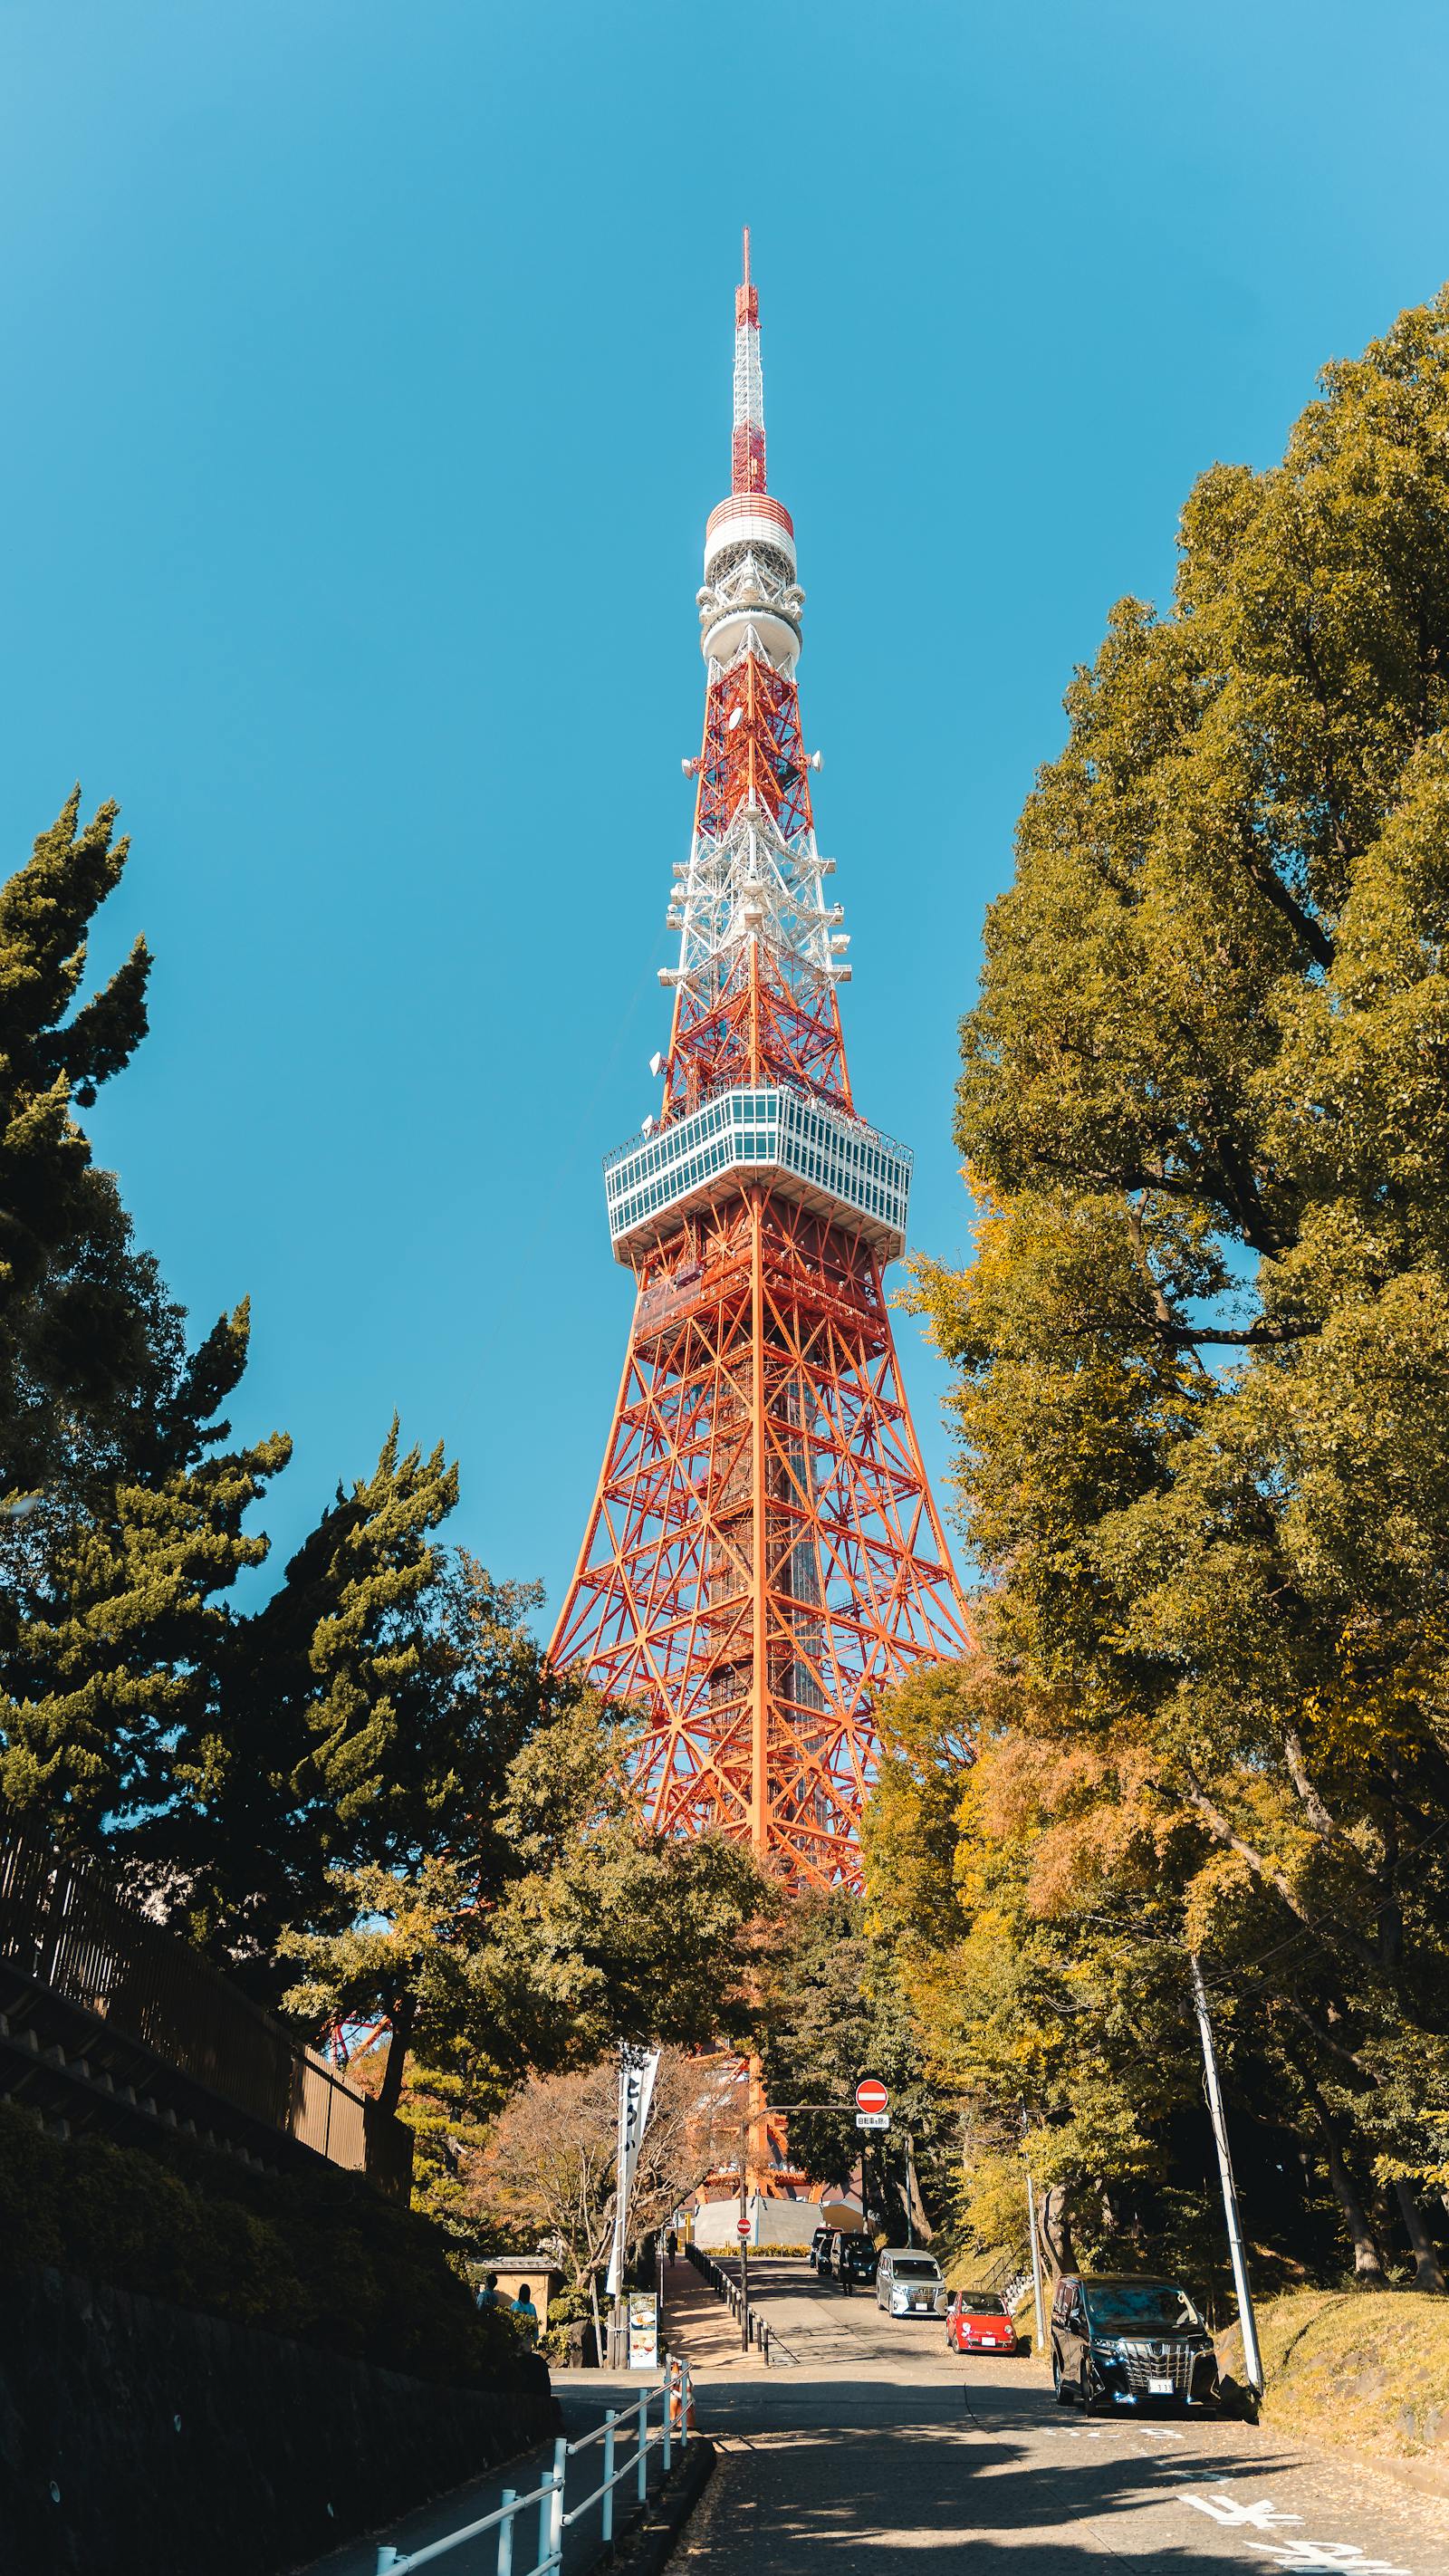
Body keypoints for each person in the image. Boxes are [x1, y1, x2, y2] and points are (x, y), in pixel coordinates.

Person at [513, 2283, 540, 2349]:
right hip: (528, 2339)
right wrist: (535, 2339)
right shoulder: (531, 2306)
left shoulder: (514, 2305)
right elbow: (535, 2324)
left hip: (516, 2338)